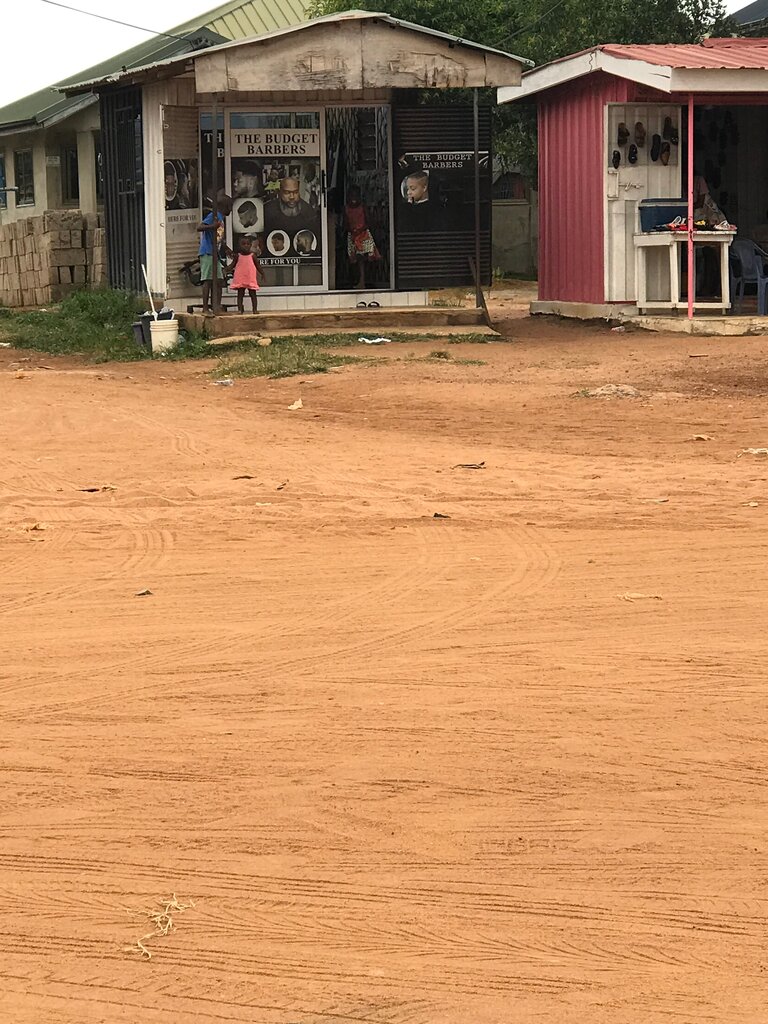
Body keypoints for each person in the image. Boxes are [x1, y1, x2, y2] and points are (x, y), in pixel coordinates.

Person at [196, 193, 233, 314]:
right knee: (207, 280)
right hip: (207, 252)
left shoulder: (221, 218)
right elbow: (200, 227)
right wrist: (213, 226)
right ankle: (205, 308)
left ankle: (216, 306)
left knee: (219, 280)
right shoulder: (214, 216)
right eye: (229, 206)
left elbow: (218, 237)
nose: (231, 209)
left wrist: (226, 248)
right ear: (223, 206)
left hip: (215, 253)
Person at [344, 185, 380, 289]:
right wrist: (351, 230)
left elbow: (369, 221)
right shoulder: (346, 209)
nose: (354, 198)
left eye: (356, 195)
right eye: (351, 195)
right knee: (353, 259)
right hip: (352, 235)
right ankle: (357, 280)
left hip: (363, 235)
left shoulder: (362, 207)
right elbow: (346, 223)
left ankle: (363, 281)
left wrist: (360, 229)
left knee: (364, 259)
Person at [229, 236, 262, 314]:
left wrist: (262, 273)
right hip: (240, 278)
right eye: (243, 244)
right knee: (240, 294)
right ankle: (240, 309)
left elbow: (258, 266)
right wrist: (226, 269)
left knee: (253, 294)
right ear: (240, 245)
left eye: (248, 244)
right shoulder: (238, 256)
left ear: (251, 245)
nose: (246, 246)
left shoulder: (253, 256)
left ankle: (255, 309)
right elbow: (232, 265)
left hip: (250, 278)